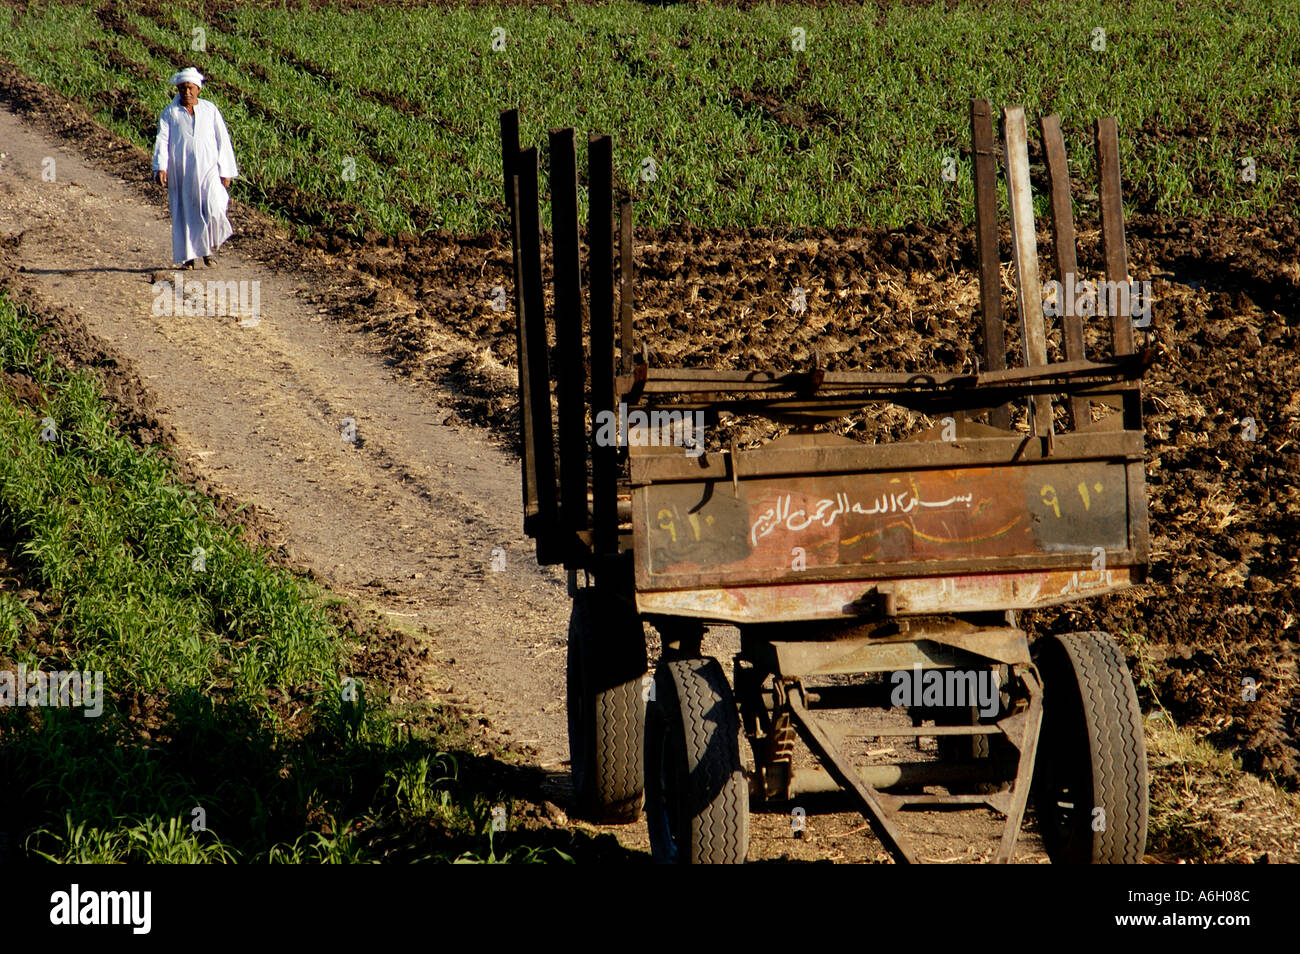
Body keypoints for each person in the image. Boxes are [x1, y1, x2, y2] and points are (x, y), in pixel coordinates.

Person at [151, 68, 238, 269]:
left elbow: (222, 139)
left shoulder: (210, 110)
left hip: (209, 169)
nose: (186, 92)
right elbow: (162, 141)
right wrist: (161, 167)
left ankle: (208, 249)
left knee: (214, 206)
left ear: (198, 89)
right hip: (181, 172)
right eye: (182, 88)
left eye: (190, 88)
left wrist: (226, 170)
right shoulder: (170, 113)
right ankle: (190, 257)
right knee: (186, 213)